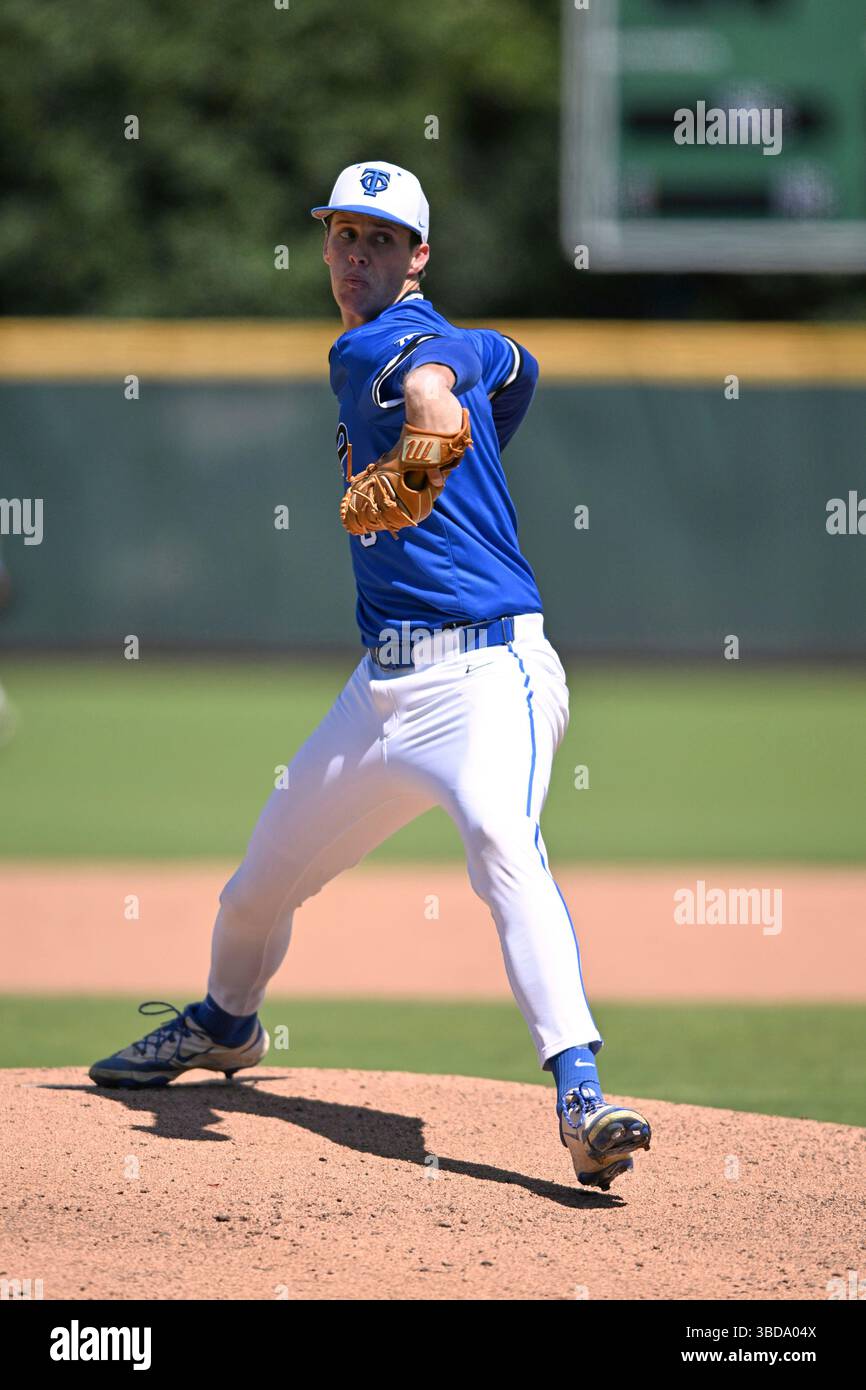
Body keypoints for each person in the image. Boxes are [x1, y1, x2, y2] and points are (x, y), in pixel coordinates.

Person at [89, 161, 651, 1191]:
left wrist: (429, 444)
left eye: (380, 240)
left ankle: (581, 1094)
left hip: (489, 673)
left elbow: (436, 389)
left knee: (500, 841)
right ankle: (225, 1023)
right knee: (257, 888)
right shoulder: (443, 341)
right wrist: (459, 423)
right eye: (343, 235)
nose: (355, 256)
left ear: (417, 257)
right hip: (380, 690)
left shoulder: (377, 347)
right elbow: (513, 364)